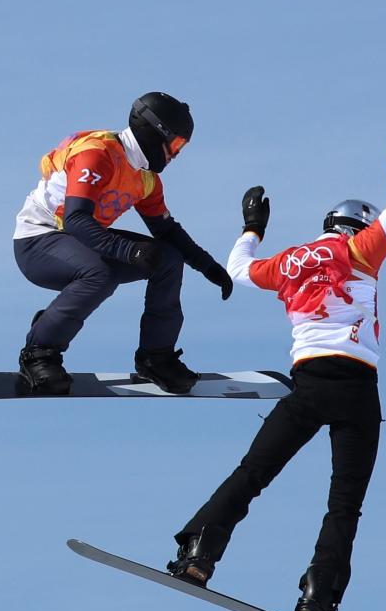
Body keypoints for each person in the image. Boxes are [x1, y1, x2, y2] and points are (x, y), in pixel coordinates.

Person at [166, 136, 386, 611]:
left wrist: (253, 228)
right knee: (344, 504)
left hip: (306, 383)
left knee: (254, 472)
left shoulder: (290, 262)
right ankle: (316, 602)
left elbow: (238, 271)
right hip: (357, 387)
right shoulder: (362, 250)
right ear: (359, 226)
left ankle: (200, 552)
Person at [12, 92, 233, 395]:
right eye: (177, 144)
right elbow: (76, 219)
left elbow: (167, 231)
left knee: (166, 258)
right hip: (38, 241)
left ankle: (157, 358)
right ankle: (39, 352)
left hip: (81, 244)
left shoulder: (147, 179)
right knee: (99, 273)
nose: (176, 154)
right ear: (155, 132)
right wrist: (130, 250)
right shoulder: (98, 154)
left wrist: (208, 266)